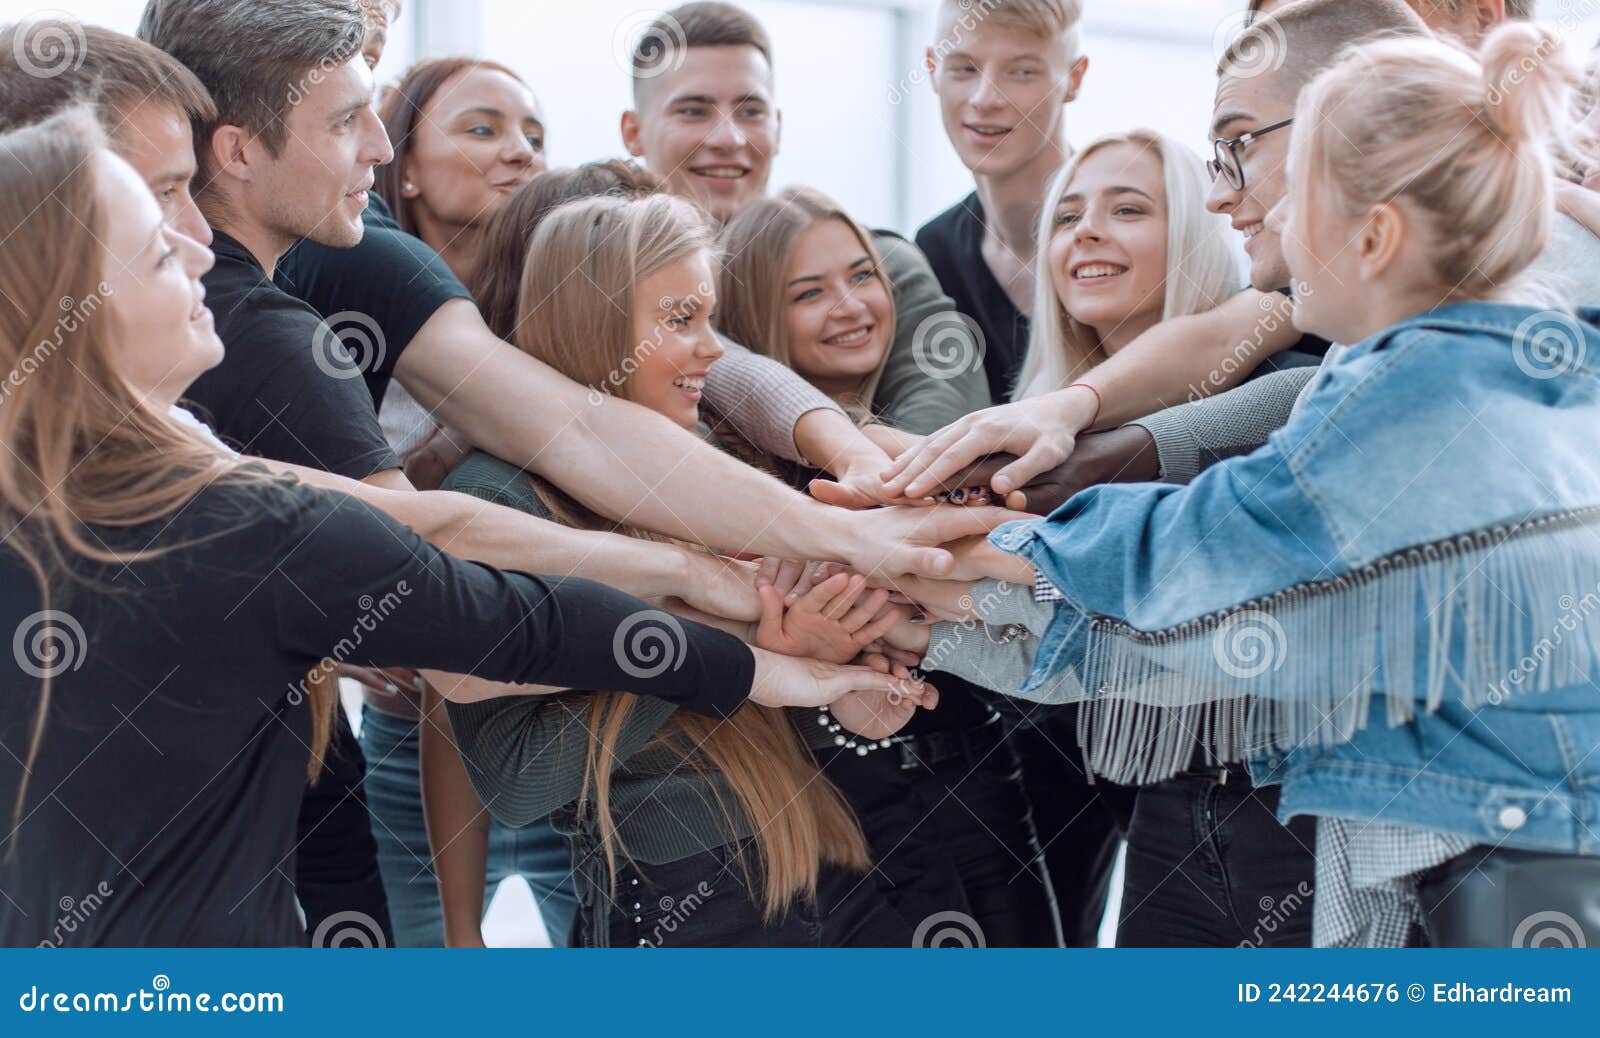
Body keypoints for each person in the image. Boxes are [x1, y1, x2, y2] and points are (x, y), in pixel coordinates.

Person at [0, 110, 926, 946]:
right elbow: (503, 617)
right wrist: (753, 640)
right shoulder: (247, 519)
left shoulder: (185, 483)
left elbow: (431, 522)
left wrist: (740, 596)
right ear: (71, 311)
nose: (203, 248)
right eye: (162, 243)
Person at [946, 19, 1600, 948]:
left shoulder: (1402, 392)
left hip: (1506, 875)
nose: (1256, 211)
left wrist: (904, 555)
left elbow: (1186, 561)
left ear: (1375, 233)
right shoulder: (1543, 350)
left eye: (1285, 186)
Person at [442, 193, 928, 946]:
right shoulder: (495, 496)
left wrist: (860, 698)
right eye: (680, 321)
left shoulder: (721, 460)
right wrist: (735, 655)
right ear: (595, 325)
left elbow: (791, 688)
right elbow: (515, 780)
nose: (713, 349)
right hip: (681, 893)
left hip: (829, 859)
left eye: (711, 318)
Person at [718, 188, 1061, 946]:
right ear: (753, 318)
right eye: (808, 293)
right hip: (833, 808)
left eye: (861, 276)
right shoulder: (735, 484)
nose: (850, 306)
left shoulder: (943, 445)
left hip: (976, 770)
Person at [621, 2, 993, 437]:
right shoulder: (610, 286)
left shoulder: (882, 263)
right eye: (693, 111)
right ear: (633, 132)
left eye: (750, 111)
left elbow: (943, 411)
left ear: (777, 127)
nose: (729, 138)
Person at [915, 0, 1089, 403]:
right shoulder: (933, 250)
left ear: (1074, 79)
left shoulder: (1135, 229)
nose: (985, 97)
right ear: (931, 69)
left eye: (1022, 72)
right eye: (964, 68)